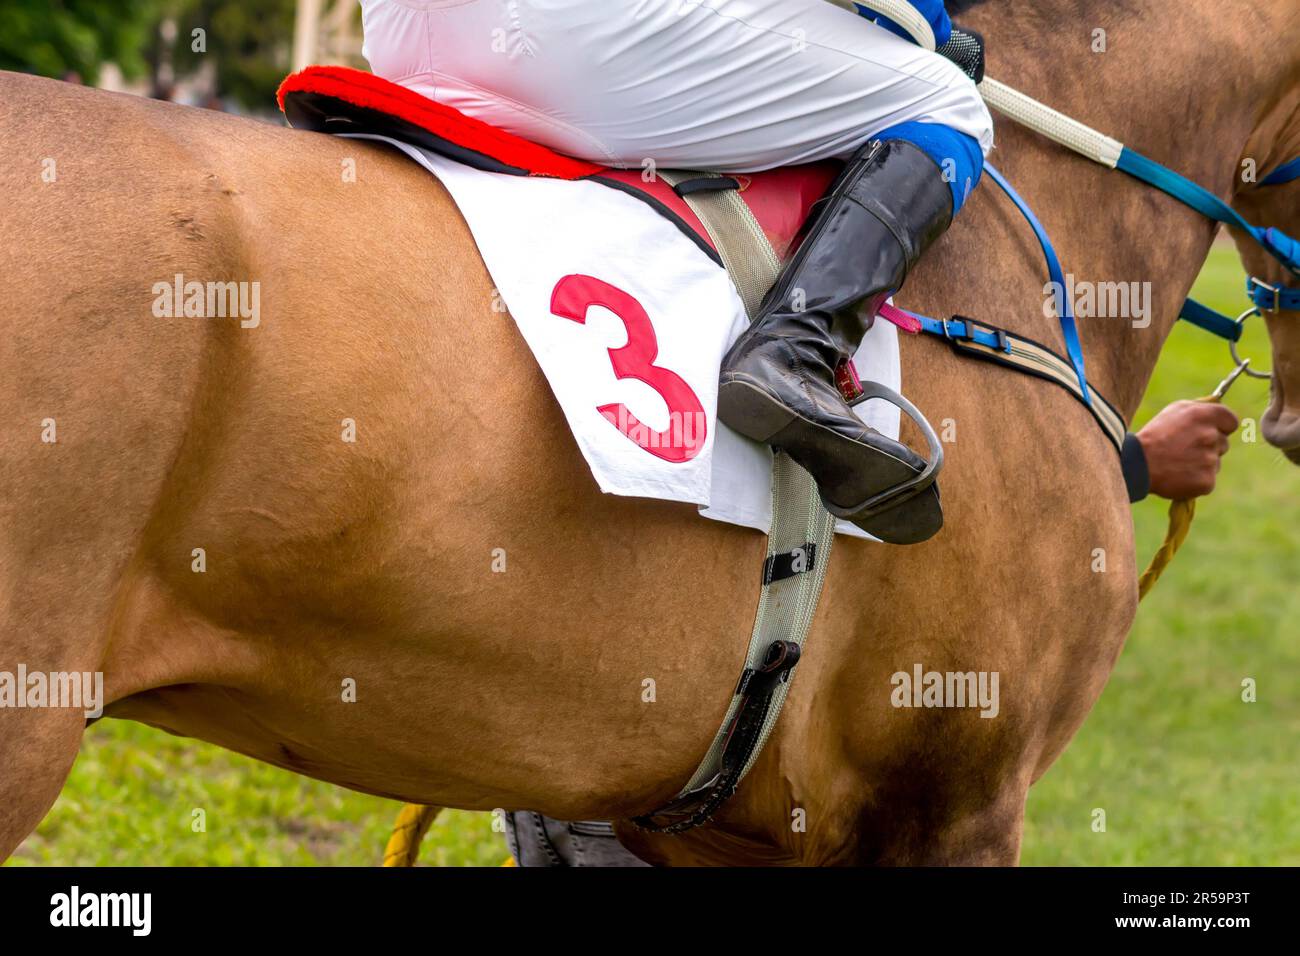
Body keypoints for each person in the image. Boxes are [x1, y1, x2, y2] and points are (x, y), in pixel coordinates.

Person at [359, 0, 992, 539]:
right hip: (564, 34)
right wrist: (932, 28)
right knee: (948, 105)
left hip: (401, 37)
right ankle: (793, 352)